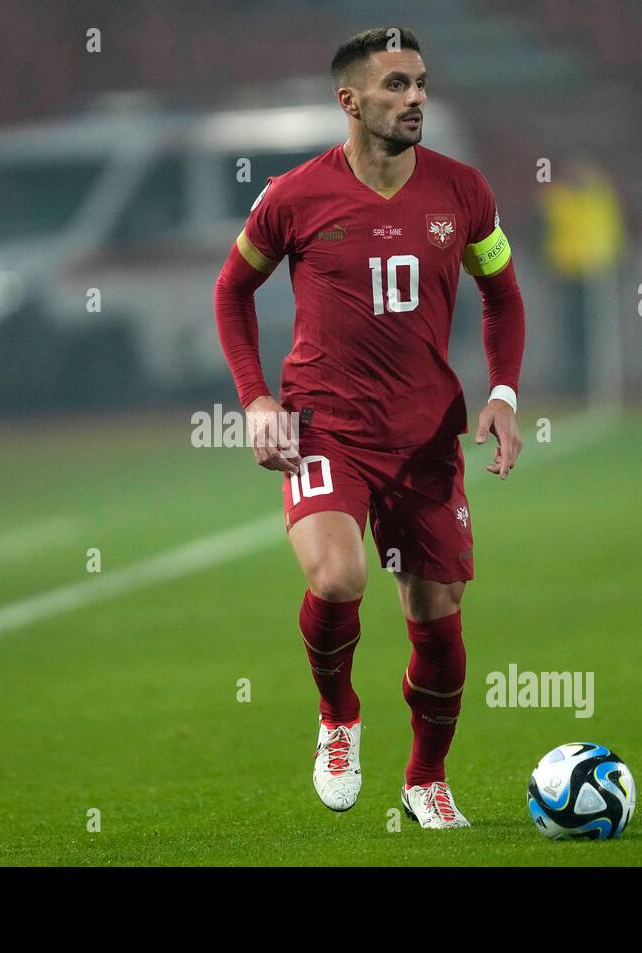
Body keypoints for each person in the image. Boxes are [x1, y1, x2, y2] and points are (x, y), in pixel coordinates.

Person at [213, 28, 526, 829]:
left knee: (438, 616)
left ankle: (426, 778)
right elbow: (231, 292)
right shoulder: (293, 196)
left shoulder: (463, 192)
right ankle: (339, 717)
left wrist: (503, 393)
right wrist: (255, 399)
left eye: (420, 83)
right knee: (336, 577)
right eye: (395, 85)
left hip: (426, 435)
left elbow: (504, 295)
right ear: (349, 101)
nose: (415, 97)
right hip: (327, 428)